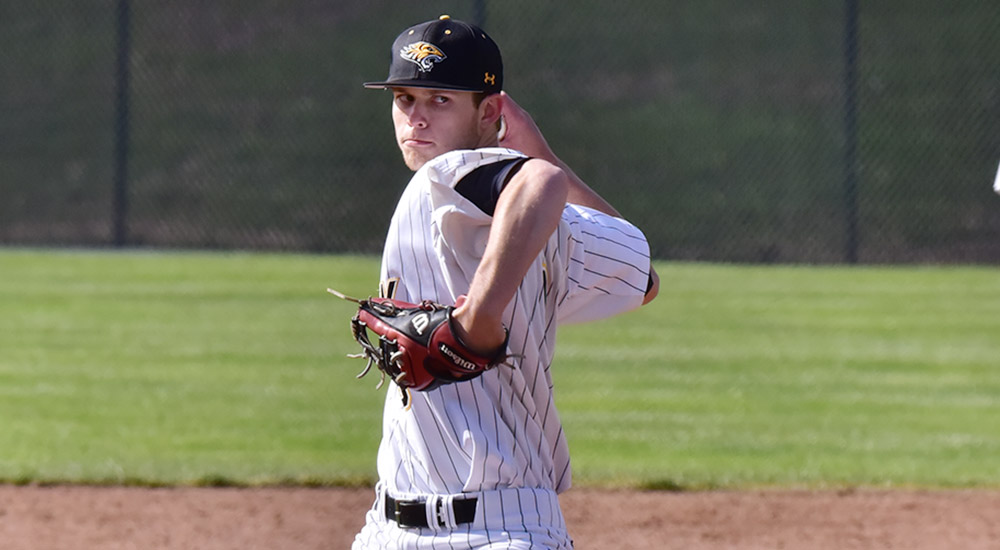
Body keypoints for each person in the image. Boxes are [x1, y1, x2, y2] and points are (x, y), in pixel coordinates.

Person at [352, 14, 659, 549]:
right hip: (402, 526)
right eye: (405, 99)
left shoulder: (446, 177)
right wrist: (542, 150)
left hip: (495, 531)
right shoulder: (546, 225)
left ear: (489, 111)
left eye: (440, 100)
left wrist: (477, 321)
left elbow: (539, 180)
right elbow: (643, 279)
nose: (416, 119)